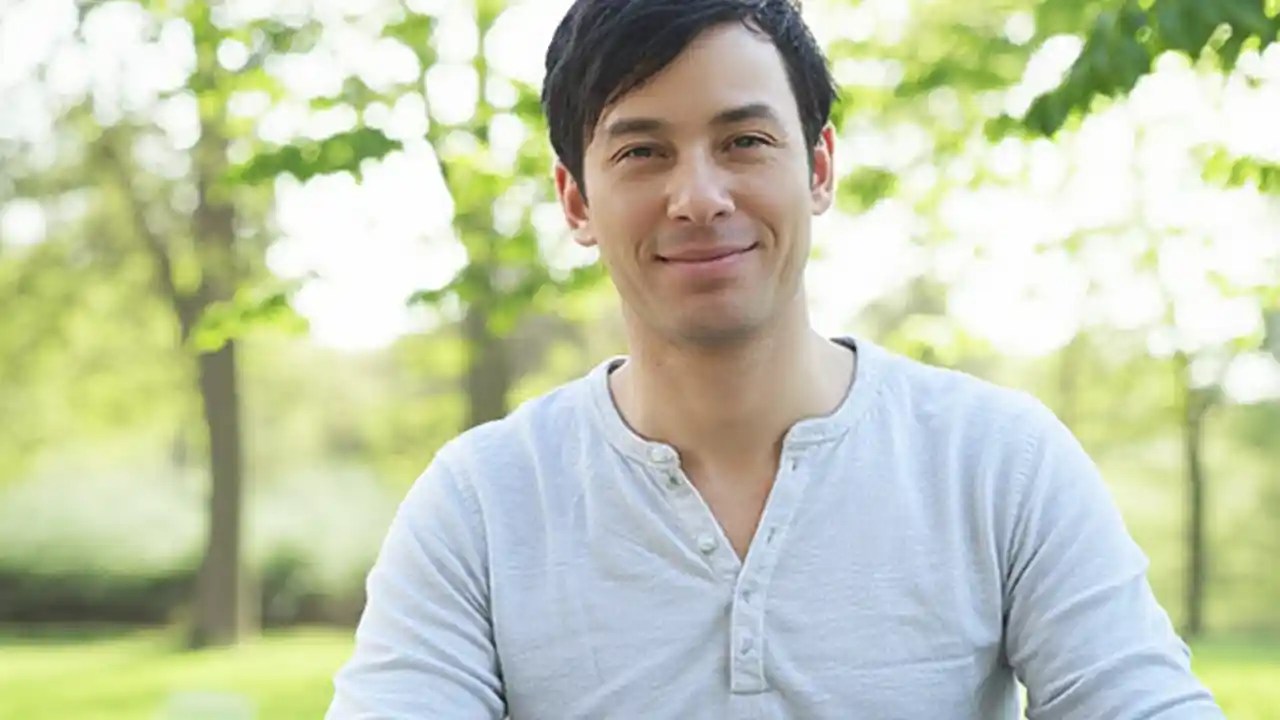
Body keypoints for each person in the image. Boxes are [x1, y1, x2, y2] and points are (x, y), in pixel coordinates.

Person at [326, 1, 1224, 717]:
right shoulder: (480, 505)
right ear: (576, 201)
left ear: (819, 168)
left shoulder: (998, 461)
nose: (699, 196)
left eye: (744, 142)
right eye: (643, 151)